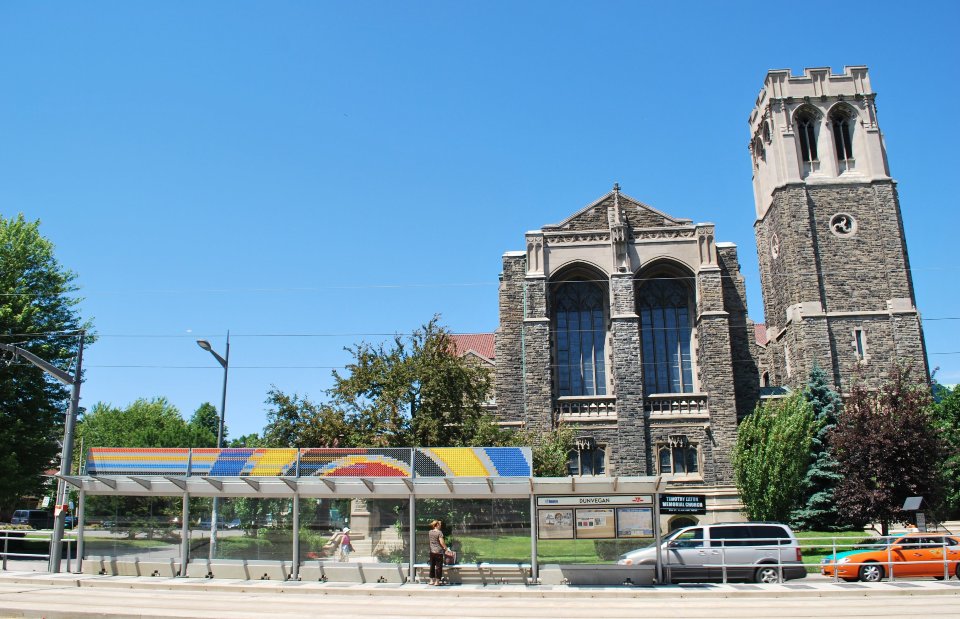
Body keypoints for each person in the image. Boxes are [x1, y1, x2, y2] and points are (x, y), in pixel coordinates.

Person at [427, 519, 448, 586]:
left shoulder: (430, 532)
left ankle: (431, 581)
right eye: (440, 524)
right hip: (438, 552)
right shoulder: (439, 532)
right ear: (437, 525)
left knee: (432, 566)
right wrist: (445, 548)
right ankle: (437, 582)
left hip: (432, 552)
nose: (441, 525)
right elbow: (441, 542)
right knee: (438, 567)